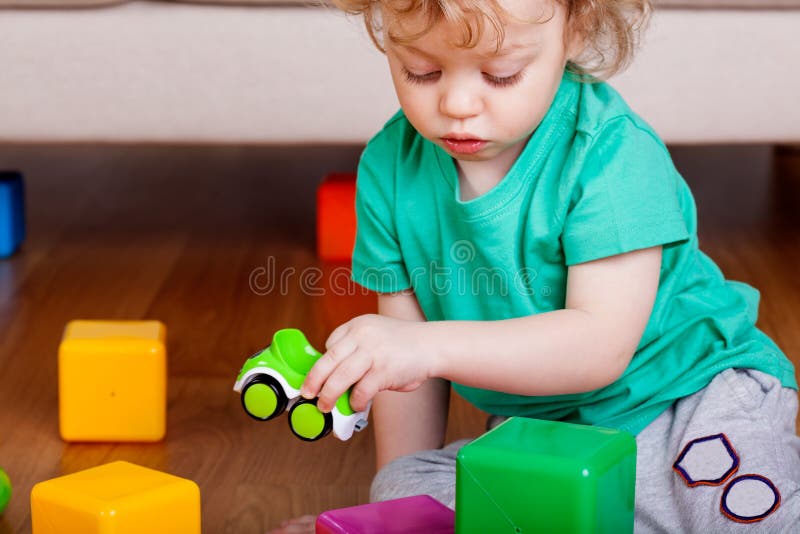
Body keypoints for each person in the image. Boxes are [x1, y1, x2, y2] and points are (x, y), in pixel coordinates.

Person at [272, 0, 800, 531]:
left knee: (744, 514)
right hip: (543, 428)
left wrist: (426, 347)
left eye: (501, 75)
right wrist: (388, 512)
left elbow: (599, 347)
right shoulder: (389, 168)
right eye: (421, 70)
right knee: (406, 487)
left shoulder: (611, 154)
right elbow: (404, 369)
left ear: (575, 30)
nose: (456, 103)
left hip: (686, 398)